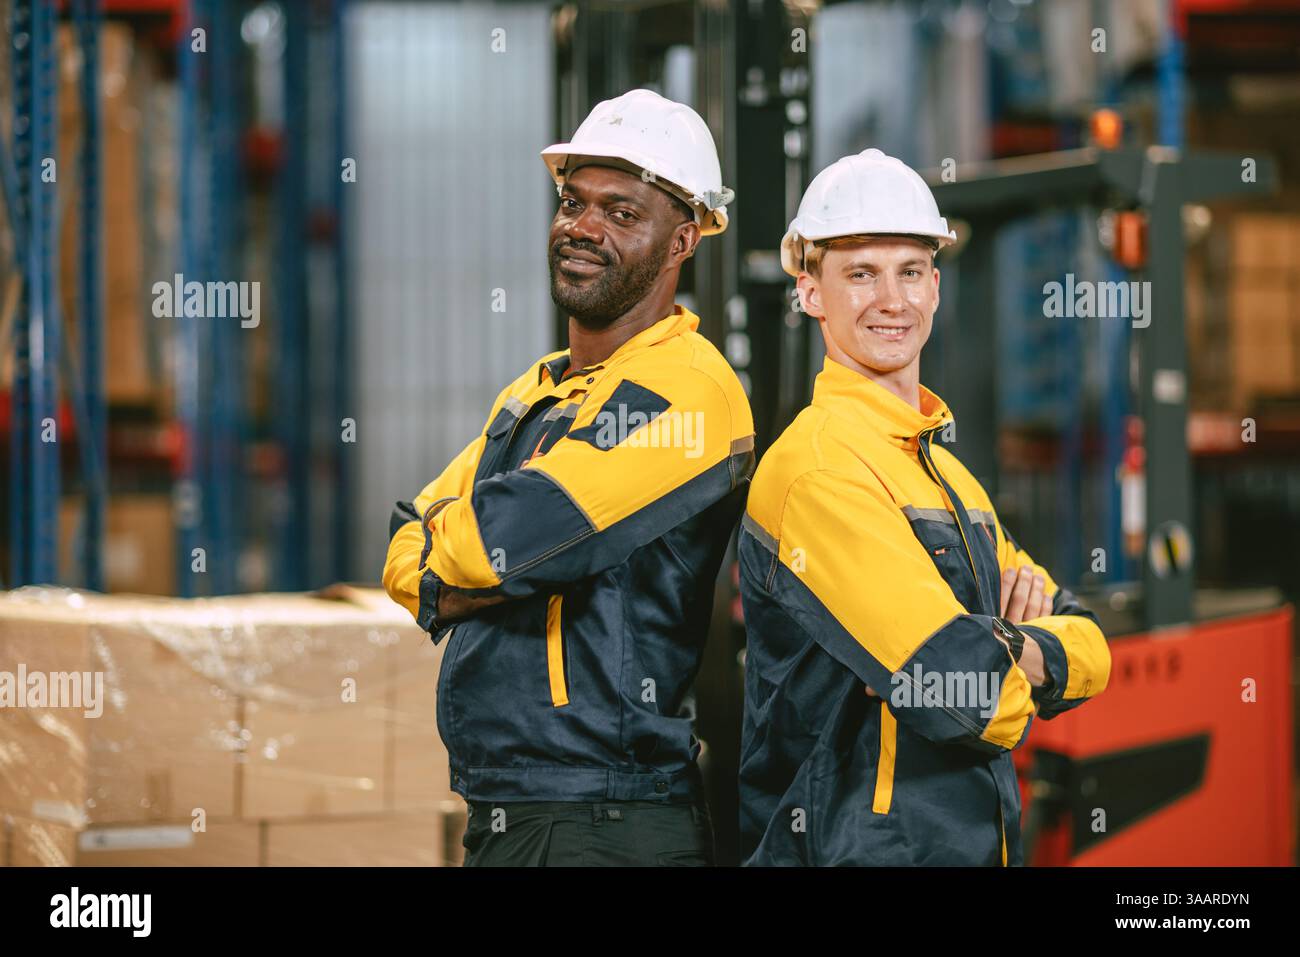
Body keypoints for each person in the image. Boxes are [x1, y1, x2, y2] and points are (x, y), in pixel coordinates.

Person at [383, 89, 754, 866]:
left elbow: (504, 540)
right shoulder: (538, 388)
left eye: (622, 213)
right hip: (518, 812)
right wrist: (495, 565)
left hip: (602, 818)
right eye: (573, 202)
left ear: (683, 239)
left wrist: (473, 569)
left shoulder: (688, 390)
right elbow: (403, 545)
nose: (583, 227)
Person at [738, 148, 1111, 866]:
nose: (891, 300)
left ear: (936, 287)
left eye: (909, 271)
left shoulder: (952, 479)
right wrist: (1022, 646)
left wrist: (1004, 647)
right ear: (811, 291)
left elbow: (1093, 642)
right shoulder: (817, 470)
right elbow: (965, 694)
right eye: (860, 274)